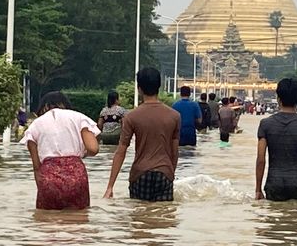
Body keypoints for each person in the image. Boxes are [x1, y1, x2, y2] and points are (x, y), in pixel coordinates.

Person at [105, 67, 180, 201]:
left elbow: (121, 151)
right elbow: (175, 151)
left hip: (139, 174)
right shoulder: (174, 116)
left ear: (139, 88)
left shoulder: (131, 116)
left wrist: (110, 186)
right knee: (164, 213)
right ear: (159, 86)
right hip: (164, 173)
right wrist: (170, 174)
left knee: (139, 211)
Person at [24, 91, 100, 210]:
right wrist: (82, 154)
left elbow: (36, 166)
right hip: (77, 175)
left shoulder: (35, 125)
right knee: (80, 218)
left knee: (47, 219)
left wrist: (43, 188)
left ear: (44, 106)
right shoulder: (79, 118)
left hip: (49, 177)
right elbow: (93, 149)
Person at [255, 78, 297, 202]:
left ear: (278, 98)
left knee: (276, 213)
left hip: (274, 184)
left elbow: (261, 160)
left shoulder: (265, 124)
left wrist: (258, 189)